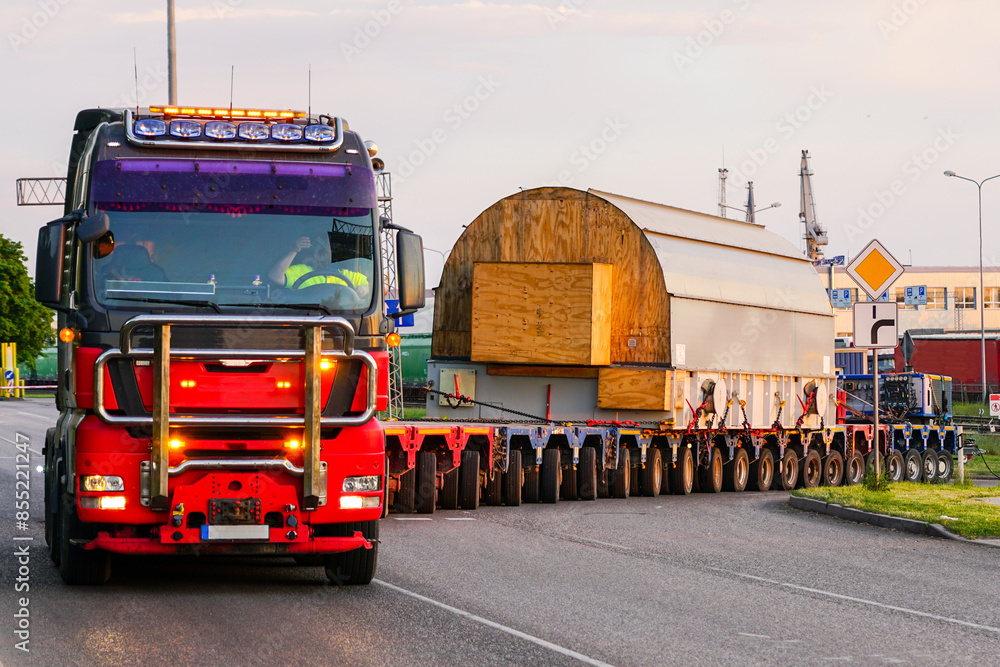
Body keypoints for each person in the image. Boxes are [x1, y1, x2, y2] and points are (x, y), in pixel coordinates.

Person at [268, 235, 370, 297]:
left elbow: (374, 286)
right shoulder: (302, 271)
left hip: (340, 319)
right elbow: (275, 276)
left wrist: (365, 289)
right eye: (322, 252)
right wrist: (294, 250)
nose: (325, 256)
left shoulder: (347, 275)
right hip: (304, 319)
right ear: (315, 253)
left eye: (329, 252)